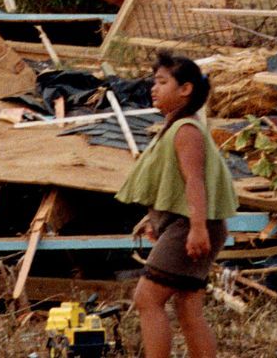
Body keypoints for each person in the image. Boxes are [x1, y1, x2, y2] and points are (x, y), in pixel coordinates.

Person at [115, 51, 240, 358]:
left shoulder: (186, 131)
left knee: (147, 299)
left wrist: (197, 229)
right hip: (183, 223)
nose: (153, 89)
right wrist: (153, 219)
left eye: (162, 82)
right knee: (187, 305)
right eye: (153, 82)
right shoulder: (175, 127)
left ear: (185, 89)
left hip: (191, 225)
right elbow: (170, 182)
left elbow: (194, 181)